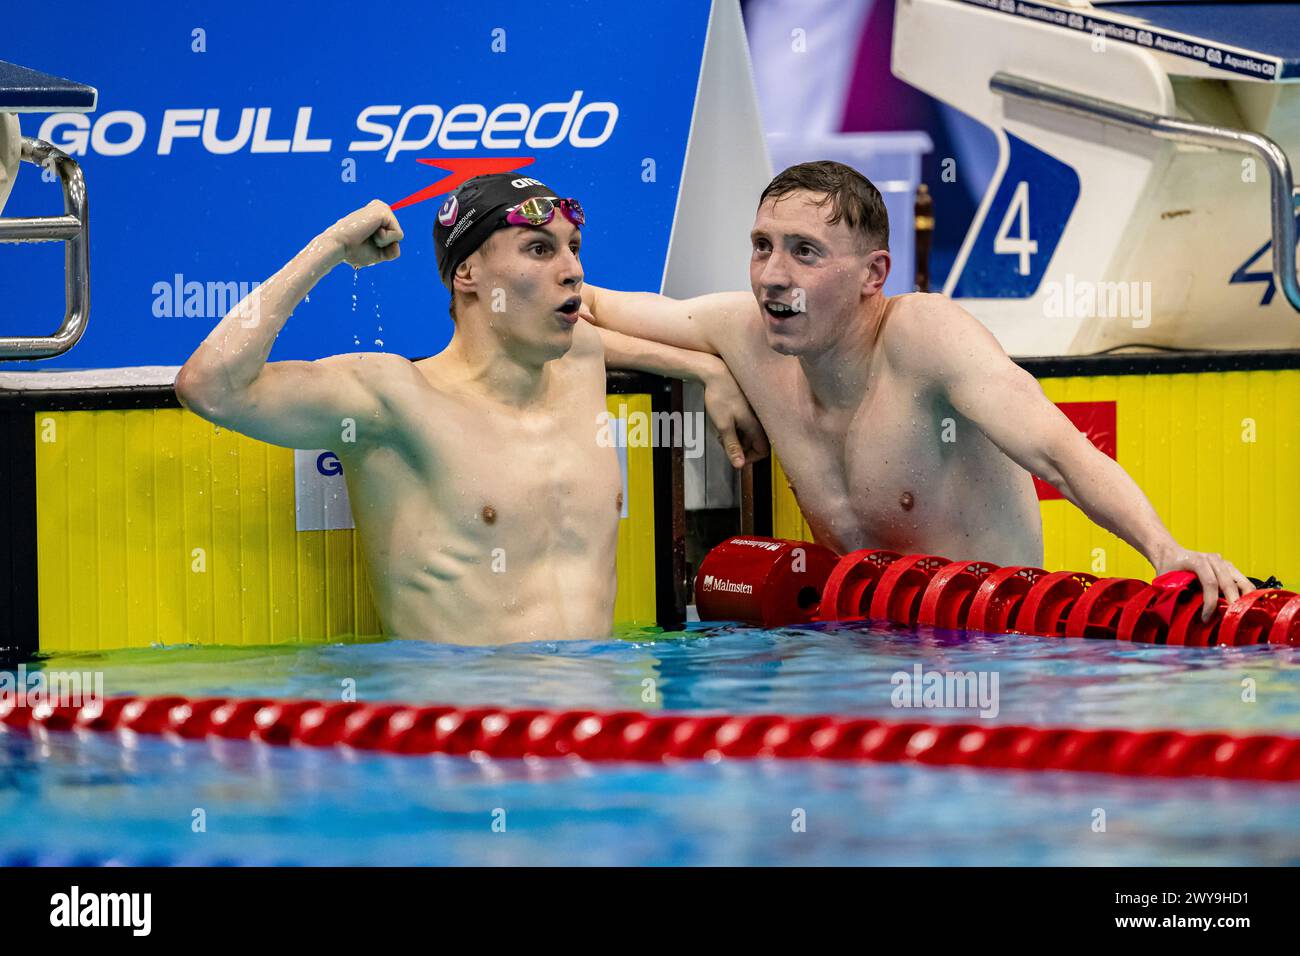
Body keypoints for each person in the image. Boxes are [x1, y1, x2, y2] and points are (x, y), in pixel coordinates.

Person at [581, 161, 1256, 620]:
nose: (771, 276)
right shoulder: (744, 335)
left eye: (804, 252)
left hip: (994, 655)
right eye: (762, 246)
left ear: (875, 272)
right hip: (855, 654)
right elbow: (568, 311)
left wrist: (1166, 551)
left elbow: (1058, 452)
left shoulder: (926, 336)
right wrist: (706, 372)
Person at [175, 175, 765, 644]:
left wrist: (703, 368)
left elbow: (609, 336)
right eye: (539, 249)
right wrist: (327, 249)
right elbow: (211, 388)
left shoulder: (576, 359)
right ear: (467, 274)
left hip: (597, 735)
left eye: (574, 248)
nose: (573, 270)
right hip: (462, 747)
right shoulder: (393, 399)